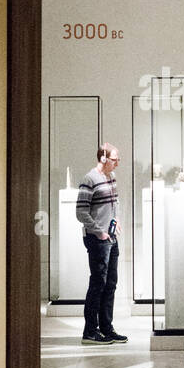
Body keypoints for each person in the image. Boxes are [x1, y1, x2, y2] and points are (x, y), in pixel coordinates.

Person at [75, 143, 128, 345]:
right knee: (98, 284)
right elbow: (81, 212)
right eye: (115, 159)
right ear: (104, 159)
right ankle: (90, 331)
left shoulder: (111, 178)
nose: (117, 163)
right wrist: (99, 232)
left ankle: (107, 328)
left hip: (111, 238)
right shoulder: (90, 179)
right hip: (98, 239)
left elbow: (115, 203)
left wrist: (116, 221)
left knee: (110, 284)